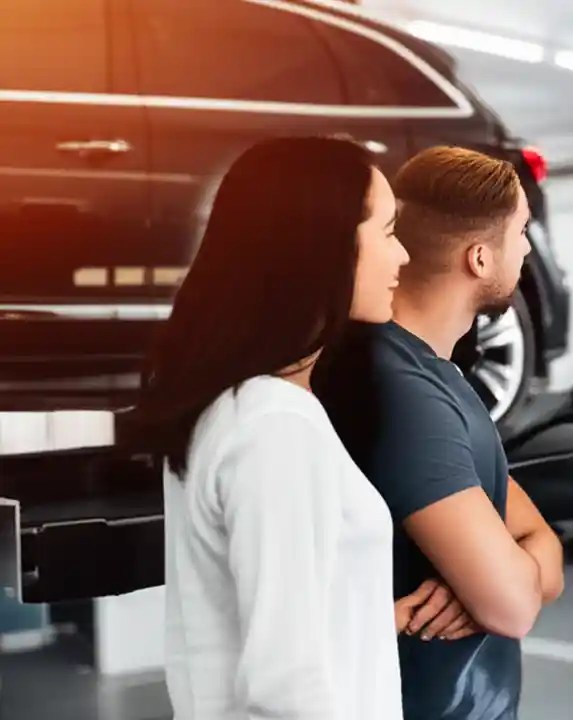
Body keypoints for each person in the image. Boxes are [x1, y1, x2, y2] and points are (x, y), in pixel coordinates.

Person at [130, 136, 414, 719]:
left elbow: (261, 619)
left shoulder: (235, 407)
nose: (403, 256)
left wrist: (367, 617)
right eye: (387, 233)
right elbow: (284, 685)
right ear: (327, 247)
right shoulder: (274, 426)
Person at [313, 145, 564, 720]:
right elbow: (514, 606)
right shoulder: (406, 391)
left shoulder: (438, 377)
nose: (527, 248)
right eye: (521, 231)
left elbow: (541, 540)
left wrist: (486, 587)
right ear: (480, 258)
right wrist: (495, 588)